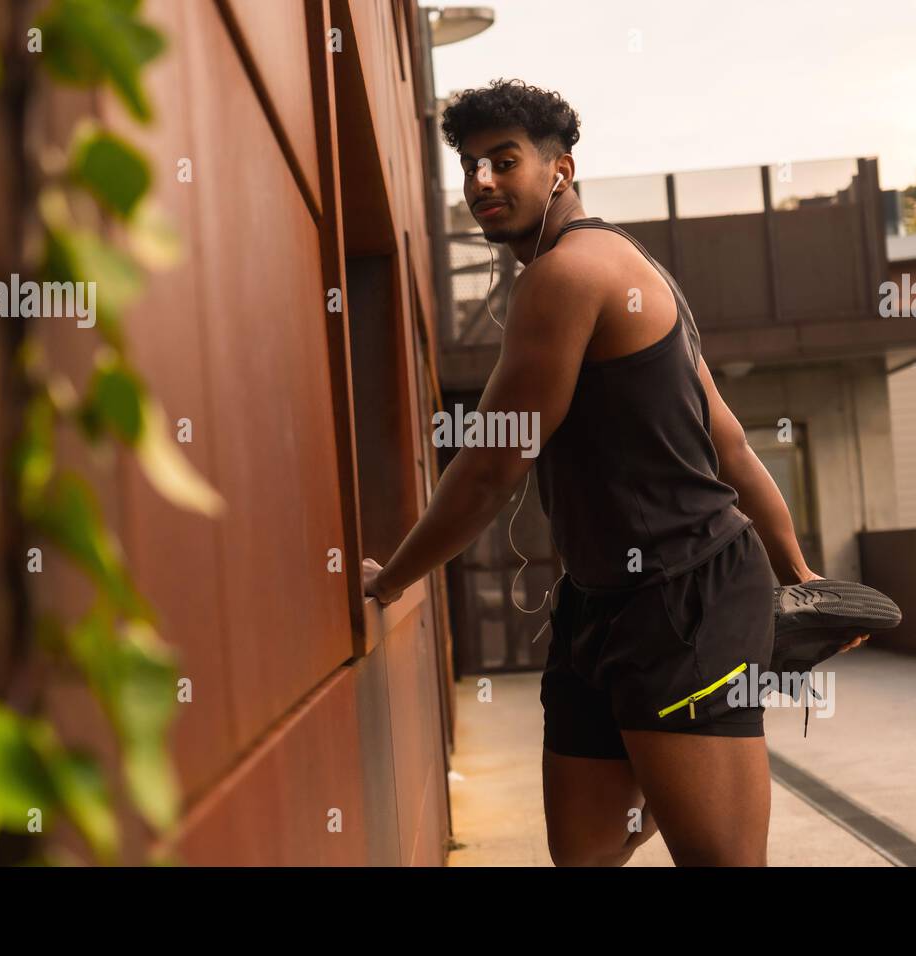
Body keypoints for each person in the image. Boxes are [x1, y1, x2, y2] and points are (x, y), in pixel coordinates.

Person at [362, 78, 866, 866]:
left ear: (560, 167)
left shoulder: (571, 275)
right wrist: (796, 575)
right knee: (586, 856)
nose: (482, 182)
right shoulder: (629, 268)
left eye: (505, 160)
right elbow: (729, 442)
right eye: (469, 165)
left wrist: (391, 580)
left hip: (685, 595)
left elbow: (494, 464)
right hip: (596, 605)